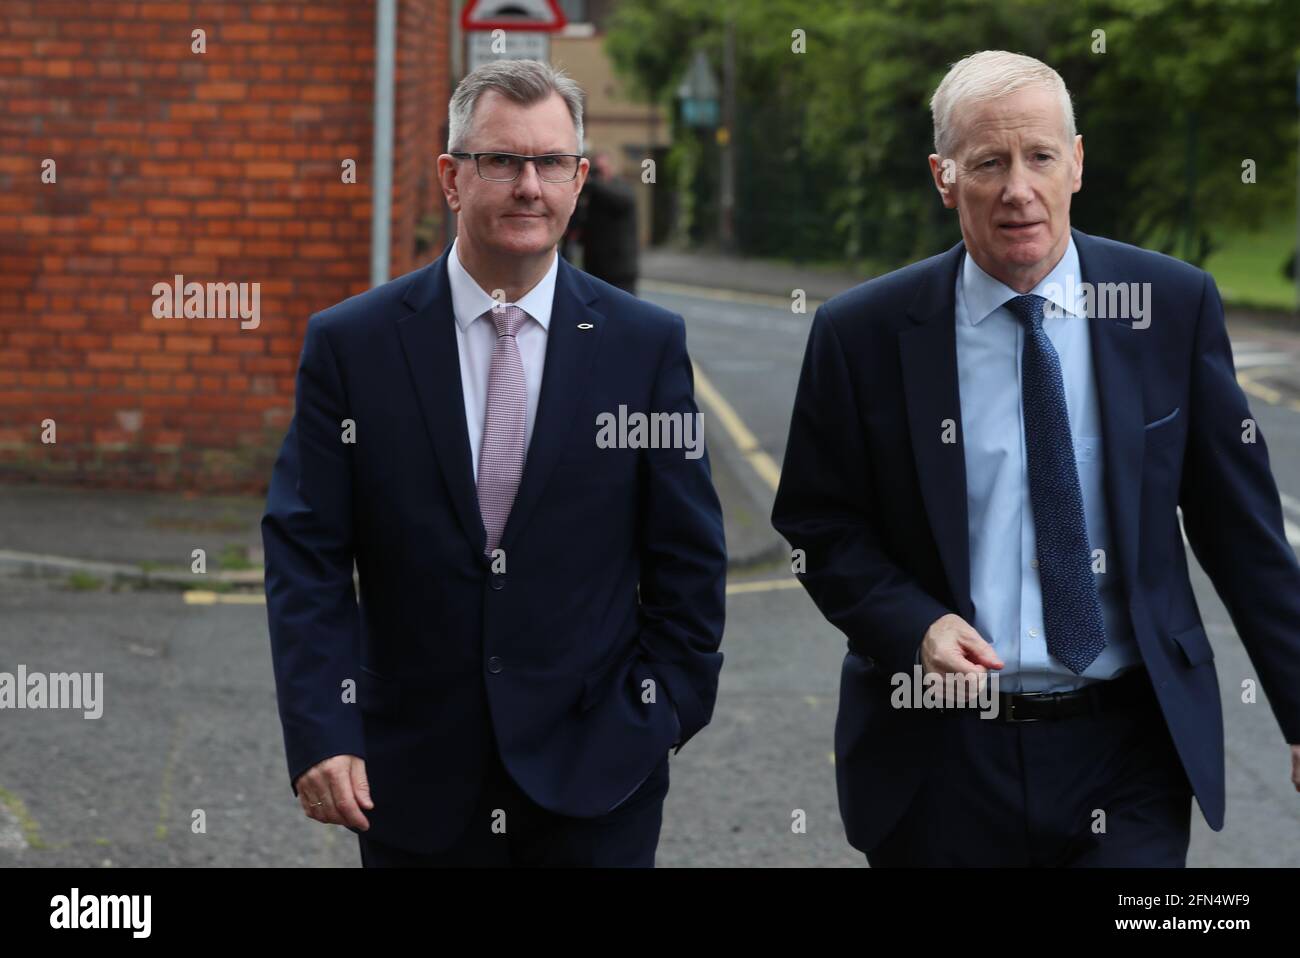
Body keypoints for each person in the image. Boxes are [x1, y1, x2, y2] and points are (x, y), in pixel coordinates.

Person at [770, 49, 1300, 867]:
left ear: (1076, 163)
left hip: (1127, 752)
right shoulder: (862, 334)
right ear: (944, 177)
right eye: (988, 162)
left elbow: (1242, 529)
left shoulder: (1169, 308)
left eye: (1040, 157)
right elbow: (818, 523)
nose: (1019, 188)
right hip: (939, 761)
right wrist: (916, 628)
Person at [262, 59, 726, 867]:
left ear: (579, 180)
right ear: (451, 177)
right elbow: (307, 554)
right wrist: (321, 729)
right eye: (501, 161)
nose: (528, 186)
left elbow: (687, 556)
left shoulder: (643, 347)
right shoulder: (354, 346)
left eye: (550, 163)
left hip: (598, 778)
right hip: (411, 782)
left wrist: (663, 712)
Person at [578, 151, 640, 295]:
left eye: (601, 169)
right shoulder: (591, 194)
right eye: (595, 169)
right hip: (595, 270)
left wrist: (591, 182)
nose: (599, 173)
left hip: (620, 271)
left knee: (625, 314)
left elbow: (621, 200)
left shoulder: (620, 188)